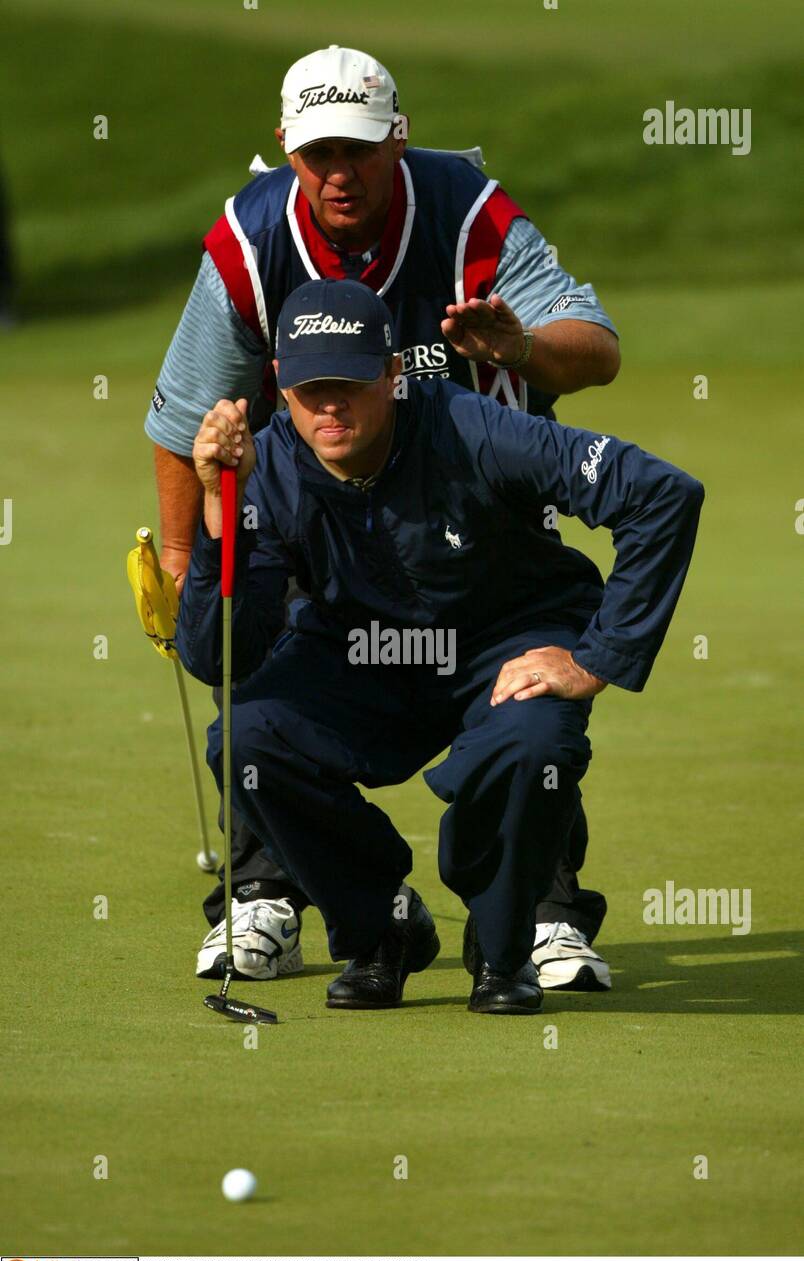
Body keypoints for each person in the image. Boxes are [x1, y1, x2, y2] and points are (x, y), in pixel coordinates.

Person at [147, 43, 621, 987]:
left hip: (489, 532)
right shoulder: (248, 240)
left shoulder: (470, 216)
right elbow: (183, 412)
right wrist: (179, 560)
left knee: (531, 706)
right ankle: (268, 892)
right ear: (285, 146)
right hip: (321, 535)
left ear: (398, 137)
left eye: (359, 148)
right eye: (317, 150)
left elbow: (597, 350)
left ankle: (542, 910)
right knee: (248, 662)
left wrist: (520, 344)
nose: (339, 172)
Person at [175, 280, 703, 1014]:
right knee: (245, 737)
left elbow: (661, 493)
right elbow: (217, 656)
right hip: (363, 655)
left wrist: (596, 658)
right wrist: (218, 513)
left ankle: (503, 945)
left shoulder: (472, 425)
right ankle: (382, 927)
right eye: (309, 387)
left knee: (534, 747)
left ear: (394, 375)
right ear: (279, 388)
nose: (330, 406)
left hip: (502, 642)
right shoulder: (263, 470)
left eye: (352, 384)